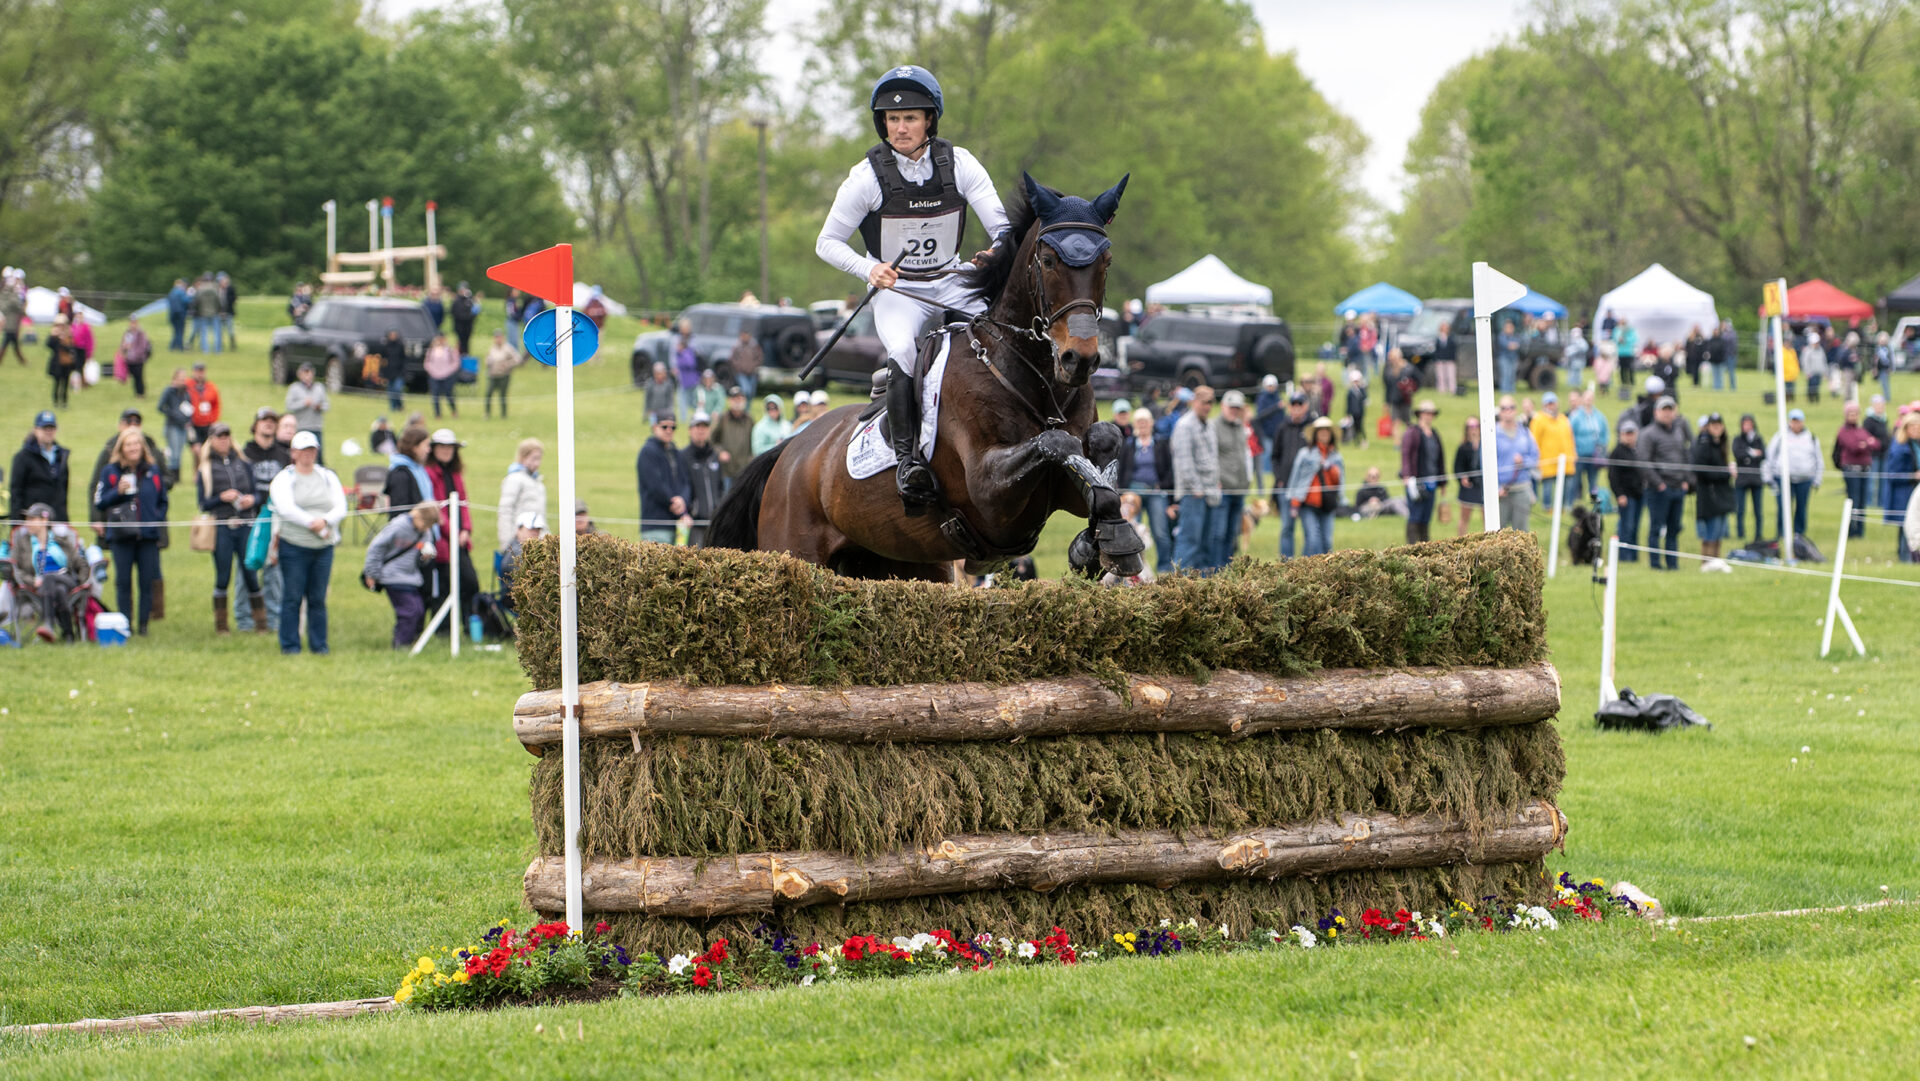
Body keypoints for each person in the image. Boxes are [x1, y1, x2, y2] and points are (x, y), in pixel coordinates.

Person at [815, 64, 1010, 508]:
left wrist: (998, 253)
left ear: (930, 121)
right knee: (902, 348)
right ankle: (907, 461)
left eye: (910, 118)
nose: (899, 127)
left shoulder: (960, 164)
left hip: (951, 279)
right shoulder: (865, 177)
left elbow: (1002, 228)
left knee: (1002, 333)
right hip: (900, 290)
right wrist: (870, 271)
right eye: (891, 119)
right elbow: (826, 243)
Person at [268, 431, 346, 654]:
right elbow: (285, 507)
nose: (307, 455)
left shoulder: (327, 476)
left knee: (318, 598)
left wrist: (325, 521)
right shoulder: (285, 478)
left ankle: (319, 645)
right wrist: (312, 522)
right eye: (302, 450)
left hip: (323, 546)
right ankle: (290, 645)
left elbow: (340, 506)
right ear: (293, 453)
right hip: (294, 545)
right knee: (292, 597)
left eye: (311, 450)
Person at [95, 428, 168, 636]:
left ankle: (143, 625)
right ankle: (125, 623)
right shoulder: (110, 471)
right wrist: (116, 492)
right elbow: (100, 502)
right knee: (123, 582)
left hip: (147, 536)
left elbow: (163, 500)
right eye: (129, 444)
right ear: (122, 448)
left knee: (146, 581)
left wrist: (155, 518)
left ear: (142, 447)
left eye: (137, 444)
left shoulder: (152, 471)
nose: (133, 448)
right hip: (121, 536)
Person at [196, 423, 261, 634]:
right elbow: (203, 503)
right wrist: (221, 498)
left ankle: (261, 623)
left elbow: (258, 493)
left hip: (244, 524)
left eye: (226, 435)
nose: (223, 440)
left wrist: (251, 500)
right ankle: (221, 625)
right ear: (212, 440)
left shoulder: (243, 463)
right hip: (222, 525)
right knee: (223, 575)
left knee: (250, 572)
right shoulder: (205, 469)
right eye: (219, 436)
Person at [238, 409, 290, 633]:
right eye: (264, 421)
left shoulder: (284, 454)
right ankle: (244, 620)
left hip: (277, 520)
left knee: (274, 572)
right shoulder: (244, 453)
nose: (268, 425)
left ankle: (273, 620)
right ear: (255, 425)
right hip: (250, 519)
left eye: (272, 421)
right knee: (246, 569)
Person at [363, 502, 440, 649]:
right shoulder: (398, 526)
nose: (426, 529)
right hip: (392, 576)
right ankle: (401, 645)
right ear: (416, 515)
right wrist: (371, 573)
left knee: (419, 610)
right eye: (425, 524)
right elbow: (376, 547)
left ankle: (410, 641)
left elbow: (419, 560)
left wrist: (424, 558)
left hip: (412, 577)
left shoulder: (426, 533)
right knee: (409, 611)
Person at [8, 503, 88, 641]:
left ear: (45, 521)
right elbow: (13, 568)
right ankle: (69, 634)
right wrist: (32, 580)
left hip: (66, 579)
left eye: (32, 519)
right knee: (58, 589)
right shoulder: (22, 543)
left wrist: (81, 582)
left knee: (50, 578)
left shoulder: (61, 541)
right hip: (39, 586)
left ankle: (48, 624)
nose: (27, 523)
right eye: (27, 519)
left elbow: (81, 563)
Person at [423, 428, 477, 628]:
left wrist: (465, 530)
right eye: (442, 447)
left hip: (460, 540)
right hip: (442, 541)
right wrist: (453, 533)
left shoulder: (455, 474)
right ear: (434, 449)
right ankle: (444, 630)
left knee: (470, 582)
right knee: (444, 586)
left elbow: (463, 502)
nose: (446, 451)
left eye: (450, 447)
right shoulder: (428, 473)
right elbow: (436, 508)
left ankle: (468, 623)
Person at [1170, 386, 1223, 571]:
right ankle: (1179, 586)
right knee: (1189, 541)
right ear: (1194, 402)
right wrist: (1197, 488)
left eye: (1210, 403)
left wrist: (1216, 481)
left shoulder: (1209, 425)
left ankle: (1201, 588)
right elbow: (1184, 462)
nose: (1207, 407)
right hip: (1193, 494)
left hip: (1210, 493)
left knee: (1205, 544)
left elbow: (1213, 457)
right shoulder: (1185, 425)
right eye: (1203, 402)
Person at [1116, 409, 1174, 575]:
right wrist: (1121, 494)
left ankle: (1164, 568)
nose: (1142, 425)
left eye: (1145, 422)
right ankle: (1133, 569)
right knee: (1131, 530)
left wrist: (1163, 486)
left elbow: (1169, 469)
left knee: (1160, 531)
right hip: (1133, 492)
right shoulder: (1128, 444)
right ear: (1134, 425)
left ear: (1151, 424)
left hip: (1155, 491)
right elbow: (1121, 470)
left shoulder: (1160, 443)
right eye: (1139, 422)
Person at [1637, 396, 1691, 570]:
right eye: (1664, 410)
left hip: (1678, 487)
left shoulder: (1678, 431)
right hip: (1658, 489)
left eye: (1670, 409)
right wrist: (1659, 484)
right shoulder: (1648, 433)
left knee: (1674, 528)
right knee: (1656, 528)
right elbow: (1644, 462)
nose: (1667, 413)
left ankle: (1672, 564)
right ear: (1656, 412)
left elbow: (1684, 456)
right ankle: (1655, 564)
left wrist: (1685, 480)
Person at [1268, 391, 1318, 558]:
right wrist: (1279, 477)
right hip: (1286, 486)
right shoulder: (1283, 427)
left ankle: (1305, 566)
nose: (1296, 408)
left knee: (1310, 529)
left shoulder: (1312, 427)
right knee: (1286, 528)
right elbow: (1274, 456)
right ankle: (1286, 565)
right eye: (1293, 405)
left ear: (1306, 406)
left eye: (1300, 405)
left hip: (1306, 488)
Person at [1208, 391, 1254, 568]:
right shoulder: (1213, 426)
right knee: (1218, 534)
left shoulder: (1241, 427)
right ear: (1223, 406)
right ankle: (1215, 571)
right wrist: (1215, 480)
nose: (1234, 411)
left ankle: (1227, 570)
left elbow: (1244, 456)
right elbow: (1210, 457)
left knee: (1232, 534)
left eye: (1237, 408)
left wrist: (1247, 481)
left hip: (1239, 489)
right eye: (1231, 407)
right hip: (1223, 490)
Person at [1287, 417, 1344, 557]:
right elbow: (1296, 478)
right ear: (1315, 434)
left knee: (1327, 542)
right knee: (1312, 540)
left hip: (1327, 504)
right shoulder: (1305, 454)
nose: (1324, 434)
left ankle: (1326, 574)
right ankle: (1304, 572)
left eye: (1327, 431)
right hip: (1308, 503)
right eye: (1321, 431)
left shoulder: (1336, 457)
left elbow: (1339, 481)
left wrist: (1330, 468)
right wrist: (1294, 502)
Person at [1763, 408, 1822, 542]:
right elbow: (1769, 456)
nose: (1796, 424)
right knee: (1783, 507)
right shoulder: (1780, 436)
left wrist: (1817, 479)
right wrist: (1768, 477)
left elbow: (1818, 459)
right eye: (1794, 421)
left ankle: (1798, 536)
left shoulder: (1811, 438)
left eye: (1798, 421)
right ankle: (1782, 534)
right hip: (1783, 479)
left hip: (1804, 479)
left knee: (1801, 508)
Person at [637, 411, 691, 545]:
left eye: (673, 427)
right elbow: (654, 485)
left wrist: (682, 501)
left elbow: (685, 482)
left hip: (678, 526)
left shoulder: (676, 452)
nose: (669, 430)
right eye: (664, 427)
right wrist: (674, 502)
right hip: (655, 524)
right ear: (654, 427)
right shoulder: (647, 452)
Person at [1691, 413, 1736, 566]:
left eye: (1719, 425)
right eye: (1713, 425)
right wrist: (1725, 472)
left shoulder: (1721, 444)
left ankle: (1716, 561)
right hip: (1710, 494)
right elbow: (1701, 470)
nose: (1717, 428)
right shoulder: (1704, 444)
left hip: (1722, 493)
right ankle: (1707, 563)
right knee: (1712, 529)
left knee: (1719, 531)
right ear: (1708, 427)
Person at [1399, 399, 1446, 544]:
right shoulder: (1412, 432)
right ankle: (1412, 546)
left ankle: (1425, 546)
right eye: (1426, 413)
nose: (1428, 416)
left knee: (1426, 516)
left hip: (1431, 480)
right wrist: (1407, 475)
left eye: (1431, 413)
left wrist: (1442, 482)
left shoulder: (1435, 434)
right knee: (1415, 515)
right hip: (1416, 480)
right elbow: (1406, 453)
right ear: (1420, 414)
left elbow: (1440, 458)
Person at [1831, 401, 1880, 537]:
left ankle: (1860, 531)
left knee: (1863, 502)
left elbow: (1876, 443)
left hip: (1865, 469)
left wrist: (1865, 444)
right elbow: (1853, 446)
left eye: (1855, 414)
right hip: (1851, 470)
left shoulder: (1861, 430)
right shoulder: (1843, 431)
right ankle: (1851, 531)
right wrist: (1865, 444)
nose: (1853, 416)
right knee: (1854, 501)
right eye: (1850, 414)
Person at [1493, 395, 1539, 532]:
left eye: (1511, 408)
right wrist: (1495, 488)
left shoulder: (1524, 432)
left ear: (1516, 410)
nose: (1508, 411)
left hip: (1521, 489)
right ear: (1499, 412)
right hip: (1501, 493)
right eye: (1504, 408)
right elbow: (1485, 465)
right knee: (1496, 533)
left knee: (1521, 534)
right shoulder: (1493, 433)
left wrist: (1523, 461)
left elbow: (1535, 457)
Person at [496, 438, 546, 554]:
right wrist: (507, 543)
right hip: (518, 541)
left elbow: (541, 513)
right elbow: (505, 510)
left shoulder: (538, 483)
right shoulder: (514, 479)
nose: (537, 463)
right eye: (533, 458)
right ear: (523, 457)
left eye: (539, 459)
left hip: (536, 540)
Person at [1883, 411, 1920, 562]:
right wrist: (1913, 476)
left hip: (1915, 491)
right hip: (1903, 493)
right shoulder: (1899, 448)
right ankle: (1905, 559)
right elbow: (1892, 475)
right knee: (1906, 526)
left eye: (1918, 426)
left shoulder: (1916, 445)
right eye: (1913, 427)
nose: (1916, 430)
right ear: (1905, 428)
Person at [683, 412, 724, 547]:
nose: (701, 430)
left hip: (714, 523)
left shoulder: (714, 456)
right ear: (690, 430)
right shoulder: (683, 456)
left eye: (705, 427)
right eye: (697, 426)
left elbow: (720, 486)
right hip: (693, 524)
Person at [1608, 421, 1648, 561]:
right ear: (1621, 435)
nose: (1629, 437)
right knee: (1626, 526)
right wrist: (1619, 494)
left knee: (1635, 527)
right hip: (1626, 495)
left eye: (1632, 433)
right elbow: (1613, 476)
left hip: (1639, 494)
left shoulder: (1637, 451)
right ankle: (1625, 556)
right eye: (1626, 434)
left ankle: (1633, 556)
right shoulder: (1617, 452)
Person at [383, 425, 434, 521]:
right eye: (426, 445)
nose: (429, 450)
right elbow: (400, 513)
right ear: (415, 447)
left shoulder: (419, 469)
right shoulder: (400, 475)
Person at [284, 361, 330, 461]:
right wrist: (303, 403)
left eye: (309, 372)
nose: (307, 375)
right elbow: (289, 406)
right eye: (304, 372)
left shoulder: (319, 388)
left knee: (318, 455)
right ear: (299, 374)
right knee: (299, 453)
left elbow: (327, 405)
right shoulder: (294, 388)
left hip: (316, 426)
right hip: (301, 426)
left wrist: (319, 407)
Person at [1732, 414, 1768, 542]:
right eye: (1745, 424)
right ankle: (1740, 534)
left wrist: (1749, 454)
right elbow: (1738, 454)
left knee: (1758, 510)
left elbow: (1763, 454)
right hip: (1742, 479)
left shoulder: (1758, 438)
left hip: (1756, 479)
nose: (1747, 426)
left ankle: (1758, 534)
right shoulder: (1738, 439)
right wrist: (1752, 453)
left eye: (1749, 423)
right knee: (1740, 509)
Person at [498, 511, 546, 606]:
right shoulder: (514, 551)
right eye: (531, 529)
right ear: (519, 529)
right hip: (518, 598)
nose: (535, 533)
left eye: (537, 529)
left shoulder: (534, 549)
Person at [711, 387, 755, 486]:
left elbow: (755, 441)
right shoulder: (722, 418)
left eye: (740, 398)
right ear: (729, 401)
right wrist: (720, 452)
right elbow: (712, 440)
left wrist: (751, 458)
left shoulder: (750, 420)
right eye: (734, 398)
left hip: (745, 469)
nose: (737, 401)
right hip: (727, 470)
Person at [1452, 417, 1484, 536]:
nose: (1474, 430)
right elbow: (1457, 467)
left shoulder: (1484, 445)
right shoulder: (1463, 447)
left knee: (1487, 514)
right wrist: (1462, 478)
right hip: (1469, 486)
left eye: (1476, 426)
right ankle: (1461, 539)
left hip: (1482, 484)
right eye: (1471, 427)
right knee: (1464, 516)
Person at [484, 331, 522, 418]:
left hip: (504, 375)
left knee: (502, 396)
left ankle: (503, 414)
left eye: (499, 337)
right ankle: (487, 413)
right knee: (488, 394)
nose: (498, 339)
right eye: (496, 337)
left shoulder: (508, 348)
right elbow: (487, 359)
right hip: (493, 375)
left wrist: (507, 364)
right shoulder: (492, 348)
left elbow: (518, 359)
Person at [184, 361, 221, 446]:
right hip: (192, 424)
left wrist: (214, 420)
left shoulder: (211, 387)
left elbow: (216, 405)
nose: (200, 374)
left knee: (207, 448)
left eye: (202, 371)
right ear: (193, 372)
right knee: (196, 449)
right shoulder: (187, 385)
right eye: (197, 371)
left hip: (207, 424)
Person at [46, 316, 79, 407]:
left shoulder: (68, 335)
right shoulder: (54, 336)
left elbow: (71, 348)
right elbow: (49, 345)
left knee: (65, 384)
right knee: (57, 383)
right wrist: (54, 337)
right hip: (57, 364)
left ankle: (64, 402)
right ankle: (56, 401)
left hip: (67, 364)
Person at [424, 333, 459, 418]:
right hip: (434, 376)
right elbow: (427, 362)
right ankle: (437, 414)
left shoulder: (449, 350)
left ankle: (454, 411)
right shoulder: (432, 350)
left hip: (447, 375)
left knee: (449, 394)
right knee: (435, 395)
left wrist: (449, 371)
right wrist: (431, 370)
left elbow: (456, 362)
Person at [119, 317, 153, 397]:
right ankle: (137, 392)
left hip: (138, 359)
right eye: (131, 322)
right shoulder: (128, 333)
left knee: (139, 376)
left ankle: (141, 393)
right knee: (133, 376)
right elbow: (123, 343)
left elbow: (143, 346)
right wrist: (124, 350)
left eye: (134, 322)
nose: (133, 324)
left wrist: (137, 355)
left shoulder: (141, 333)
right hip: (129, 359)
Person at [672, 330, 700, 421]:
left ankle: (684, 418)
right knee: (689, 401)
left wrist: (680, 362)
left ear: (682, 346)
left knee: (683, 401)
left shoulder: (685, 353)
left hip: (688, 381)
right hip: (686, 380)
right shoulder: (684, 353)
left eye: (678, 345)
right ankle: (697, 414)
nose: (676, 347)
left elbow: (690, 364)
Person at [379, 328, 409, 412]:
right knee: (391, 391)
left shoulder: (400, 346)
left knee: (397, 389)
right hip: (389, 373)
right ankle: (393, 408)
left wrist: (404, 371)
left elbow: (404, 359)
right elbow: (382, 360)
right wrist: (382, 373)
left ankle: (399, 405)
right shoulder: (385, 347)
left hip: (399, 372)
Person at [727, 329, 763, 399]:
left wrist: (754, 366)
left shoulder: (754, 346)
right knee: (746, 390)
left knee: (751, 393)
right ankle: (743, 406)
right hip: (741, 373)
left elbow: (759, 357)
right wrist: (738, 366)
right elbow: (732, 358)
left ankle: (747, 408)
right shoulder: (737, 346)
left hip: (752, 373)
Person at [192, 273, 223, 353]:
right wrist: (219, 310)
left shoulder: (200, 289)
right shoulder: (215, 288)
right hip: (214, 313)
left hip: (203, 314)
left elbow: (196, 302)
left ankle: (206, 350)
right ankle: (217, 350)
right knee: (217, 333)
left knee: (204, 333)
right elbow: (219, 301)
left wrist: (198, 311)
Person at [449, 282, 480, 357]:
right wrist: (468, 316)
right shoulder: (456, 301)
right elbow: (456, 314)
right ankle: (460, 356)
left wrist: (473, 314)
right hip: (459, 326)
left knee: (467, 343)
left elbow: (474, 312)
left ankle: (466, 356)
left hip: (468, 326)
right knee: (460, 342)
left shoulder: (469, 300)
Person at [1343, 367, 1368, 447]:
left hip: (1360, 412)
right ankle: (1356, 441)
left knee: (1360, 426)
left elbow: (1364, 399)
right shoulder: (1350, 392)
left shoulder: (1362, 390)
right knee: (1354, 427)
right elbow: (1348, 403)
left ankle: (1363, 439)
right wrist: (1347, 413)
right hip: (1353, 412)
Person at [1432, 321, 1458, 396]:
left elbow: (1453, 349)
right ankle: (1442, 389)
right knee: (1440, 376)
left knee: (1451, 375)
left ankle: (1452, 389)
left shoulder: (1451, 337)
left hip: (1449, 359)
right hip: (1440, 360)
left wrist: (1453, 359)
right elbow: (1436, 349)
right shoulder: (1438, 338)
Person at [165, 278, 189, 352]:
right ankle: (180, 347)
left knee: (176, 331)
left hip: (172, 314)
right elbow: (186, 301)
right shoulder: (181, 292)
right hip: (180, 314)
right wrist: (191, 297)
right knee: (180, 331)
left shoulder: (171, 292)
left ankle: (172, 347)